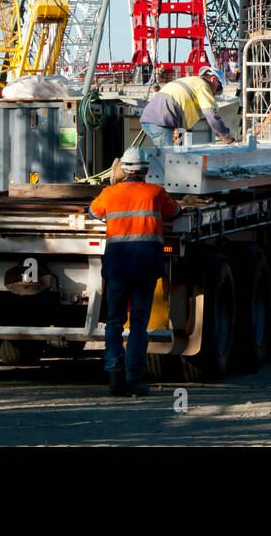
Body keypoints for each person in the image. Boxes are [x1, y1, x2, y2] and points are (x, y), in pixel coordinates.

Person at [90, 146, 179, 397]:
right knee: (139, 324)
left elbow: (92, 212)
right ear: (146, 170)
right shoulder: (155, 192)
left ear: (123, 170)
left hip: (118, 266)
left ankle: (115, 379)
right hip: (146, 266)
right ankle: (135, 380)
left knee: (114, 323)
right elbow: (176, 211)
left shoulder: (109, 193)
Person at [139, 67, 236, 147]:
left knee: (179, 152)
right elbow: (211, 116)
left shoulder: (190, 81)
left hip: (154, 121)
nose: (215, 93)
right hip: (161, 123)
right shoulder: (203, 85)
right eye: (218, 89)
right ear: (213, 79)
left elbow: (180, 113)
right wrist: (227, 137)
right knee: (171, 159)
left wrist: (182, 144)